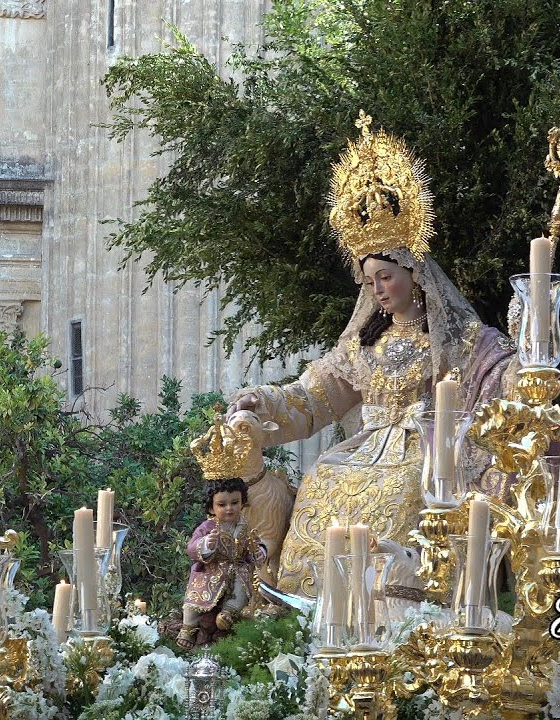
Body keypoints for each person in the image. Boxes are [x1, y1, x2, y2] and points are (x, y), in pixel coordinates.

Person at [227, 113, 518, 596]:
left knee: (404, 491)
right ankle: (315, 616)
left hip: (425, 455)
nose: (378, 289)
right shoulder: (364, 345)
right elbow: (313, 397)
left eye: (386, 276)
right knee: (322, 477)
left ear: (413, 272)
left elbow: (494, 373)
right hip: (364, 449)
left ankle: (400, 611)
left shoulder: (452, 339)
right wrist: (265, 399)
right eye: (370, 281)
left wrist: (520, 365)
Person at [179, 478, 268, 648]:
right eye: (222, 504)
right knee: (197, 595)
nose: (229, 508)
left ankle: (229, 613)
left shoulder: (245, 526)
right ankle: (188, 627)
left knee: (241, 590)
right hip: (210, 570)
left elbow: (256, 544)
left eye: (235, 502)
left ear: (242, 503)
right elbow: (191, 547)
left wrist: (259, 551)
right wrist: (206, 543)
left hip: (238, 569)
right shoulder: (207, 527)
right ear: (212, 507)